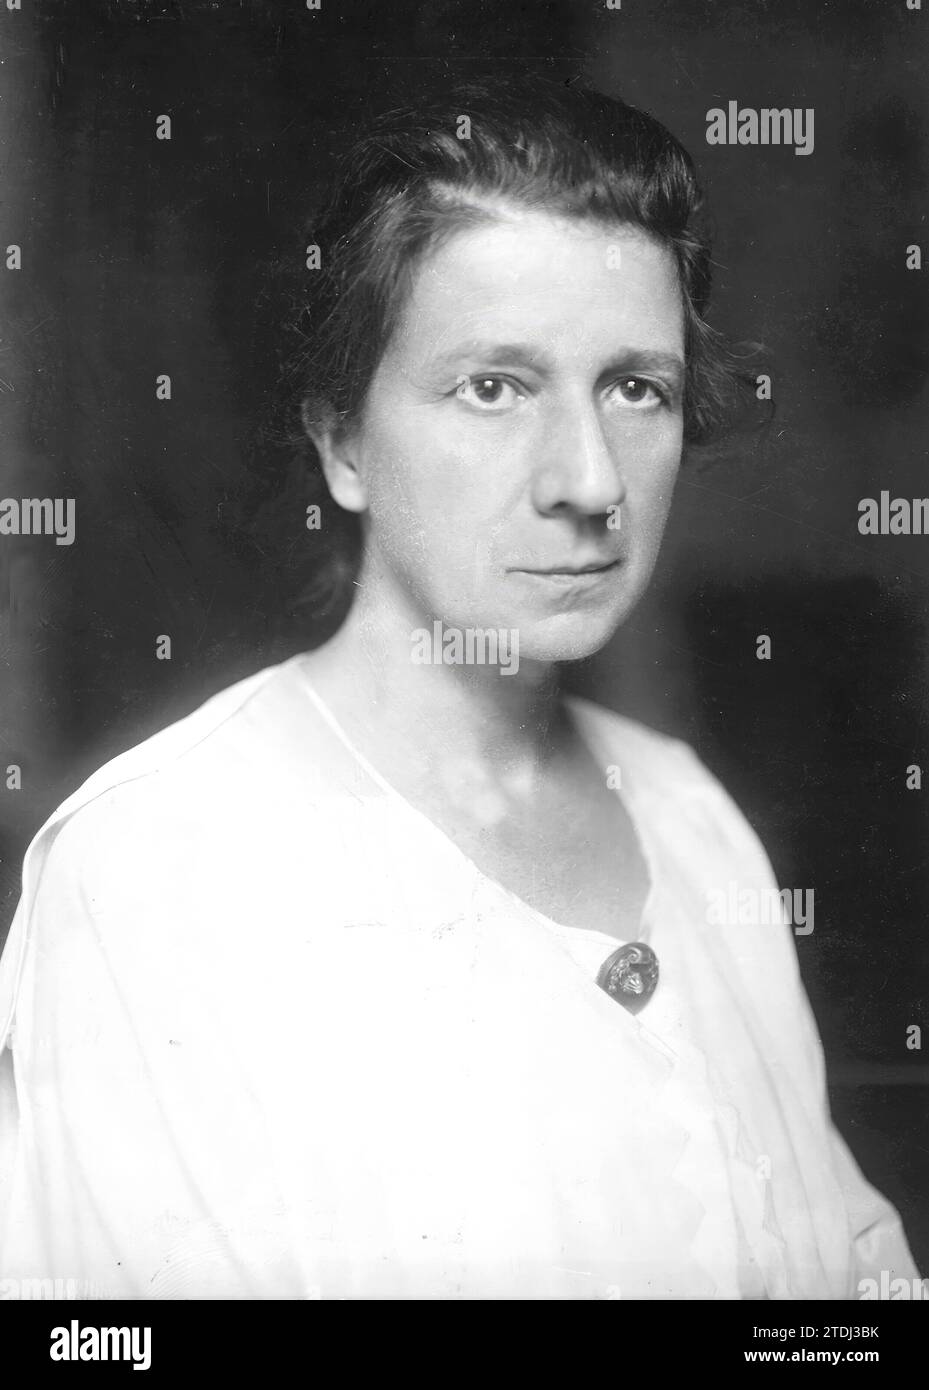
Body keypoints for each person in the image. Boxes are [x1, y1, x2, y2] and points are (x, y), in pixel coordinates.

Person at [0, 77, 918, 1300]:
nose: (588, 481)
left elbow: (849, 1289)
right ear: (341, 441)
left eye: (633, 387)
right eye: (493, 386)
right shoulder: (154, 870)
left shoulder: (691, 816)